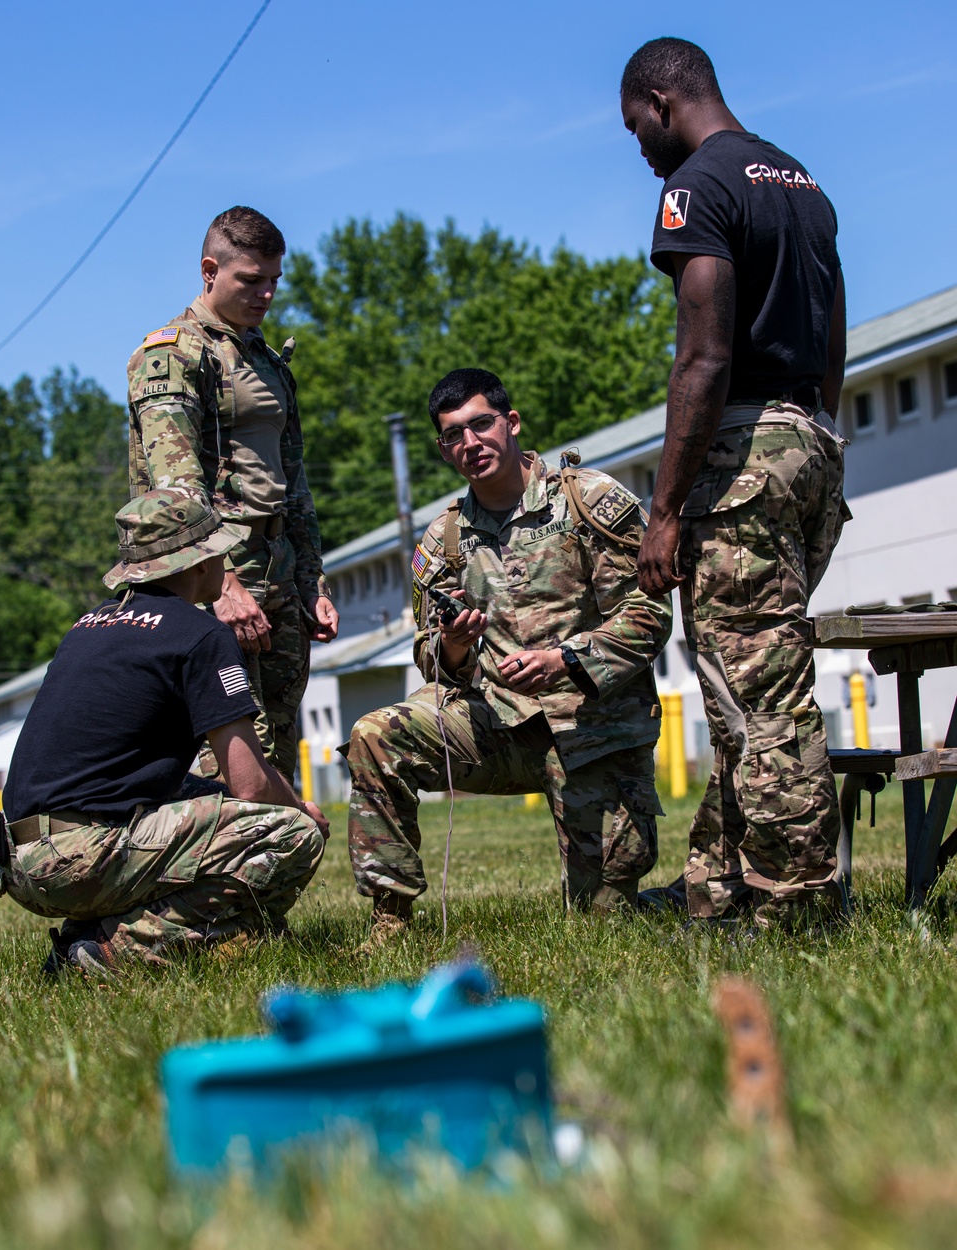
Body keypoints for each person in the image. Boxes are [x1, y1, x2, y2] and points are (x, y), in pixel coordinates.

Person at [619, 37, 849, 928]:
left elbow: (704, 358)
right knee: (742, 684)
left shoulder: (698, 186)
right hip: (810, 443)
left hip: (745, 454)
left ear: (663, 102)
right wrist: (821, 434)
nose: (639, 146)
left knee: (762, 696)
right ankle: (717, 890)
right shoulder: (804, 184)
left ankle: (795, 902)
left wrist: (667, 508)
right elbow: (831, 334)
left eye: (636, 125)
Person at [342, 367, 672, 943]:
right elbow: (429, 654)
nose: (470, 444)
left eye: (481, 425)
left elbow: (651, 615)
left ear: (511, 422)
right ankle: (390, 922)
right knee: (377, 733)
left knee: (604, 925)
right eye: (453, 436)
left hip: (591, 729)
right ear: (443, 449)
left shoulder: (588, 501)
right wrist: (453, 648)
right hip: (498, 726)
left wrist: (567, 660)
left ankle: (686, 900)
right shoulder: (443, 539)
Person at [0, 488, 329, 976]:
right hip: (81, 856)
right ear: (196, 564)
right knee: (287, 833)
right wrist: (301, 808)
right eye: (217, 550)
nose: (223, 560)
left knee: (202, 794)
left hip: (20, 858)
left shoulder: (88, 625)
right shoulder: (201, 636)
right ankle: (116, 951)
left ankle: (82, 937)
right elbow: (250, 784)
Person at [126, 206, 337, 781]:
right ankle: (223, 871)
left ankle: (275, 866)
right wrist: (221, 583)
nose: (266, 293)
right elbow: (177, 490)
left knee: (283, 739)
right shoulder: (169, 355)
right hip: (210, 573)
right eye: (251, 279)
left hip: (278, 566)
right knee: (233, 747)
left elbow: (294, 482)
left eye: (275, 280)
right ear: (209, 270)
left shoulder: (266, 360)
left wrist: (312, 578)